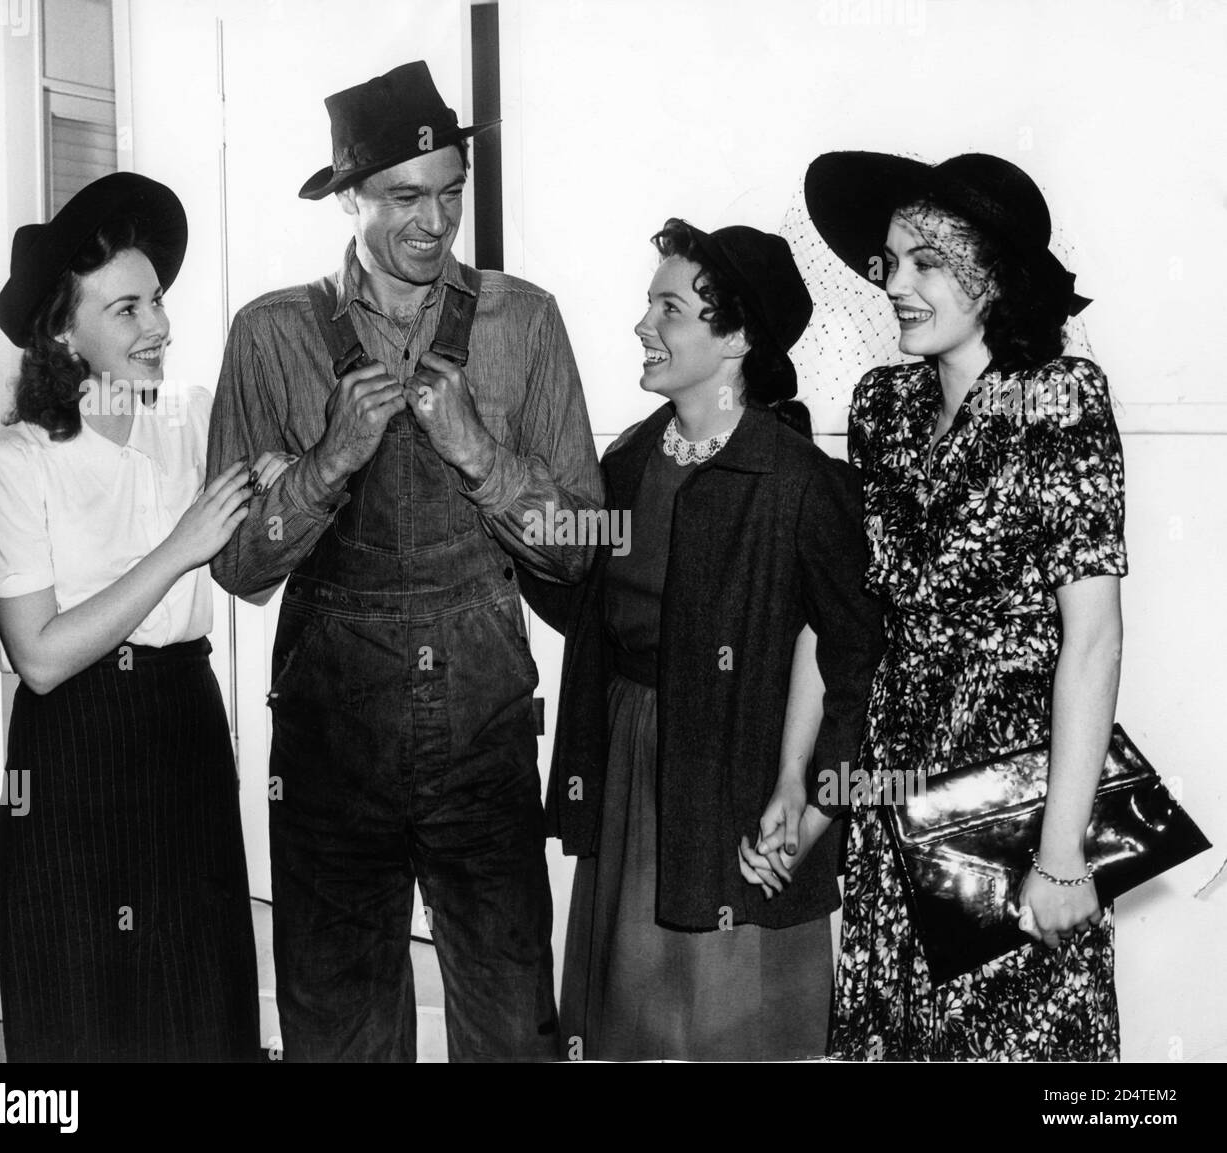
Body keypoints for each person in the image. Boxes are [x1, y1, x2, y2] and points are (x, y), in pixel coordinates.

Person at [205, 60, 603, 1062]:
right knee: (337, 1032)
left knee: (512, 1027)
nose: (436, 221)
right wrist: (329, 460)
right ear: (346, 198)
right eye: (404, 198)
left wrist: (481, 455)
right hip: (331, 744)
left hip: (484, 737)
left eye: (452, 193)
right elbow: (240, 568)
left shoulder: (525, 323)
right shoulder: (270, 335)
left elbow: (583, 554)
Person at [529, 219, 882, 1061]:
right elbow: (582, 605)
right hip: (631, 767)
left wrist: (815, 808)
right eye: (650, 305)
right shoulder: (628, 462)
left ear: (737, 338)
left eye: (671, 310)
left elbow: (854, 656)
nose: (644, 327)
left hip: (737, 786)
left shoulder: (800, 482)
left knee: (730, 1027)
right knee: (628, 1027)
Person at [804, 151, 1127, 1060]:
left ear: (995, 277)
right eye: (891, 262)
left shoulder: (1060, 398)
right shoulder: (883, 406)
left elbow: (1093, 639)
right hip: (896, 775)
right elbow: (851, 619)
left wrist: (1064, 853)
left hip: (1014, 793)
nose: (895, 284)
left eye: (926, 264)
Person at [0, 172, 280, 1061]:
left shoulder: (193, 419)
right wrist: (182, 544)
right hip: (73, 747)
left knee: (196, 997)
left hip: (183, 724)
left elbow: (250, 584)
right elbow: (43, 656)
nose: (159, 327)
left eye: (159, 303)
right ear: (65, 331)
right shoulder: (8, 461)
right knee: (83, 1005)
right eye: (128, 309)